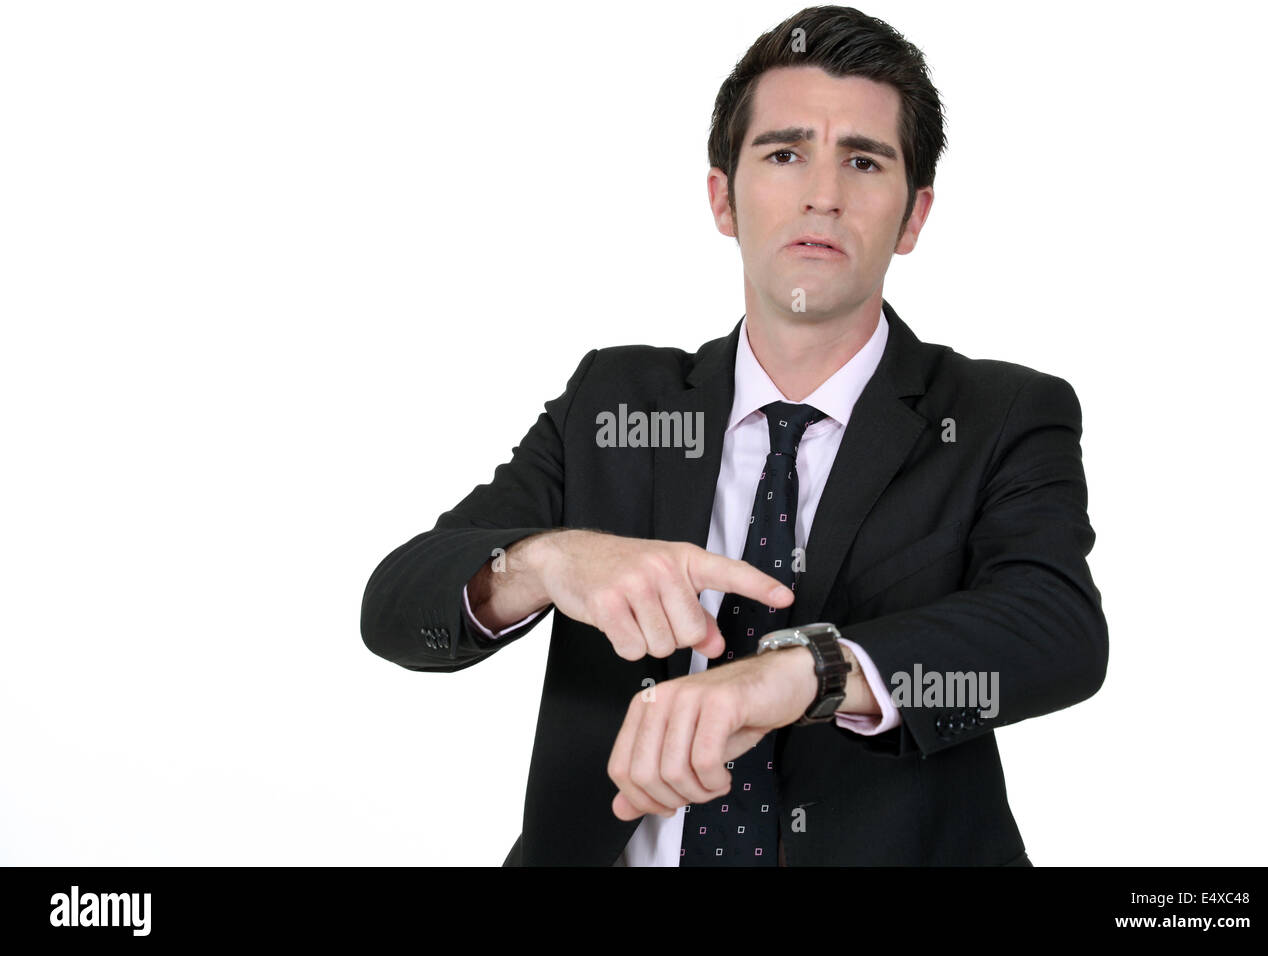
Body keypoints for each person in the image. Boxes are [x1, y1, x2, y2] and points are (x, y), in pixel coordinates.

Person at [359, 5, 1106, 866]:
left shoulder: (999, 414)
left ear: (912, 218)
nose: (823, 192)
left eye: (863, 161)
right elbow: (395, 607)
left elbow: (1058, 630)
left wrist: (806, 673)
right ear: (723, 197)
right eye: (785, 153)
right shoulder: (616, 398)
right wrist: (550, 561)